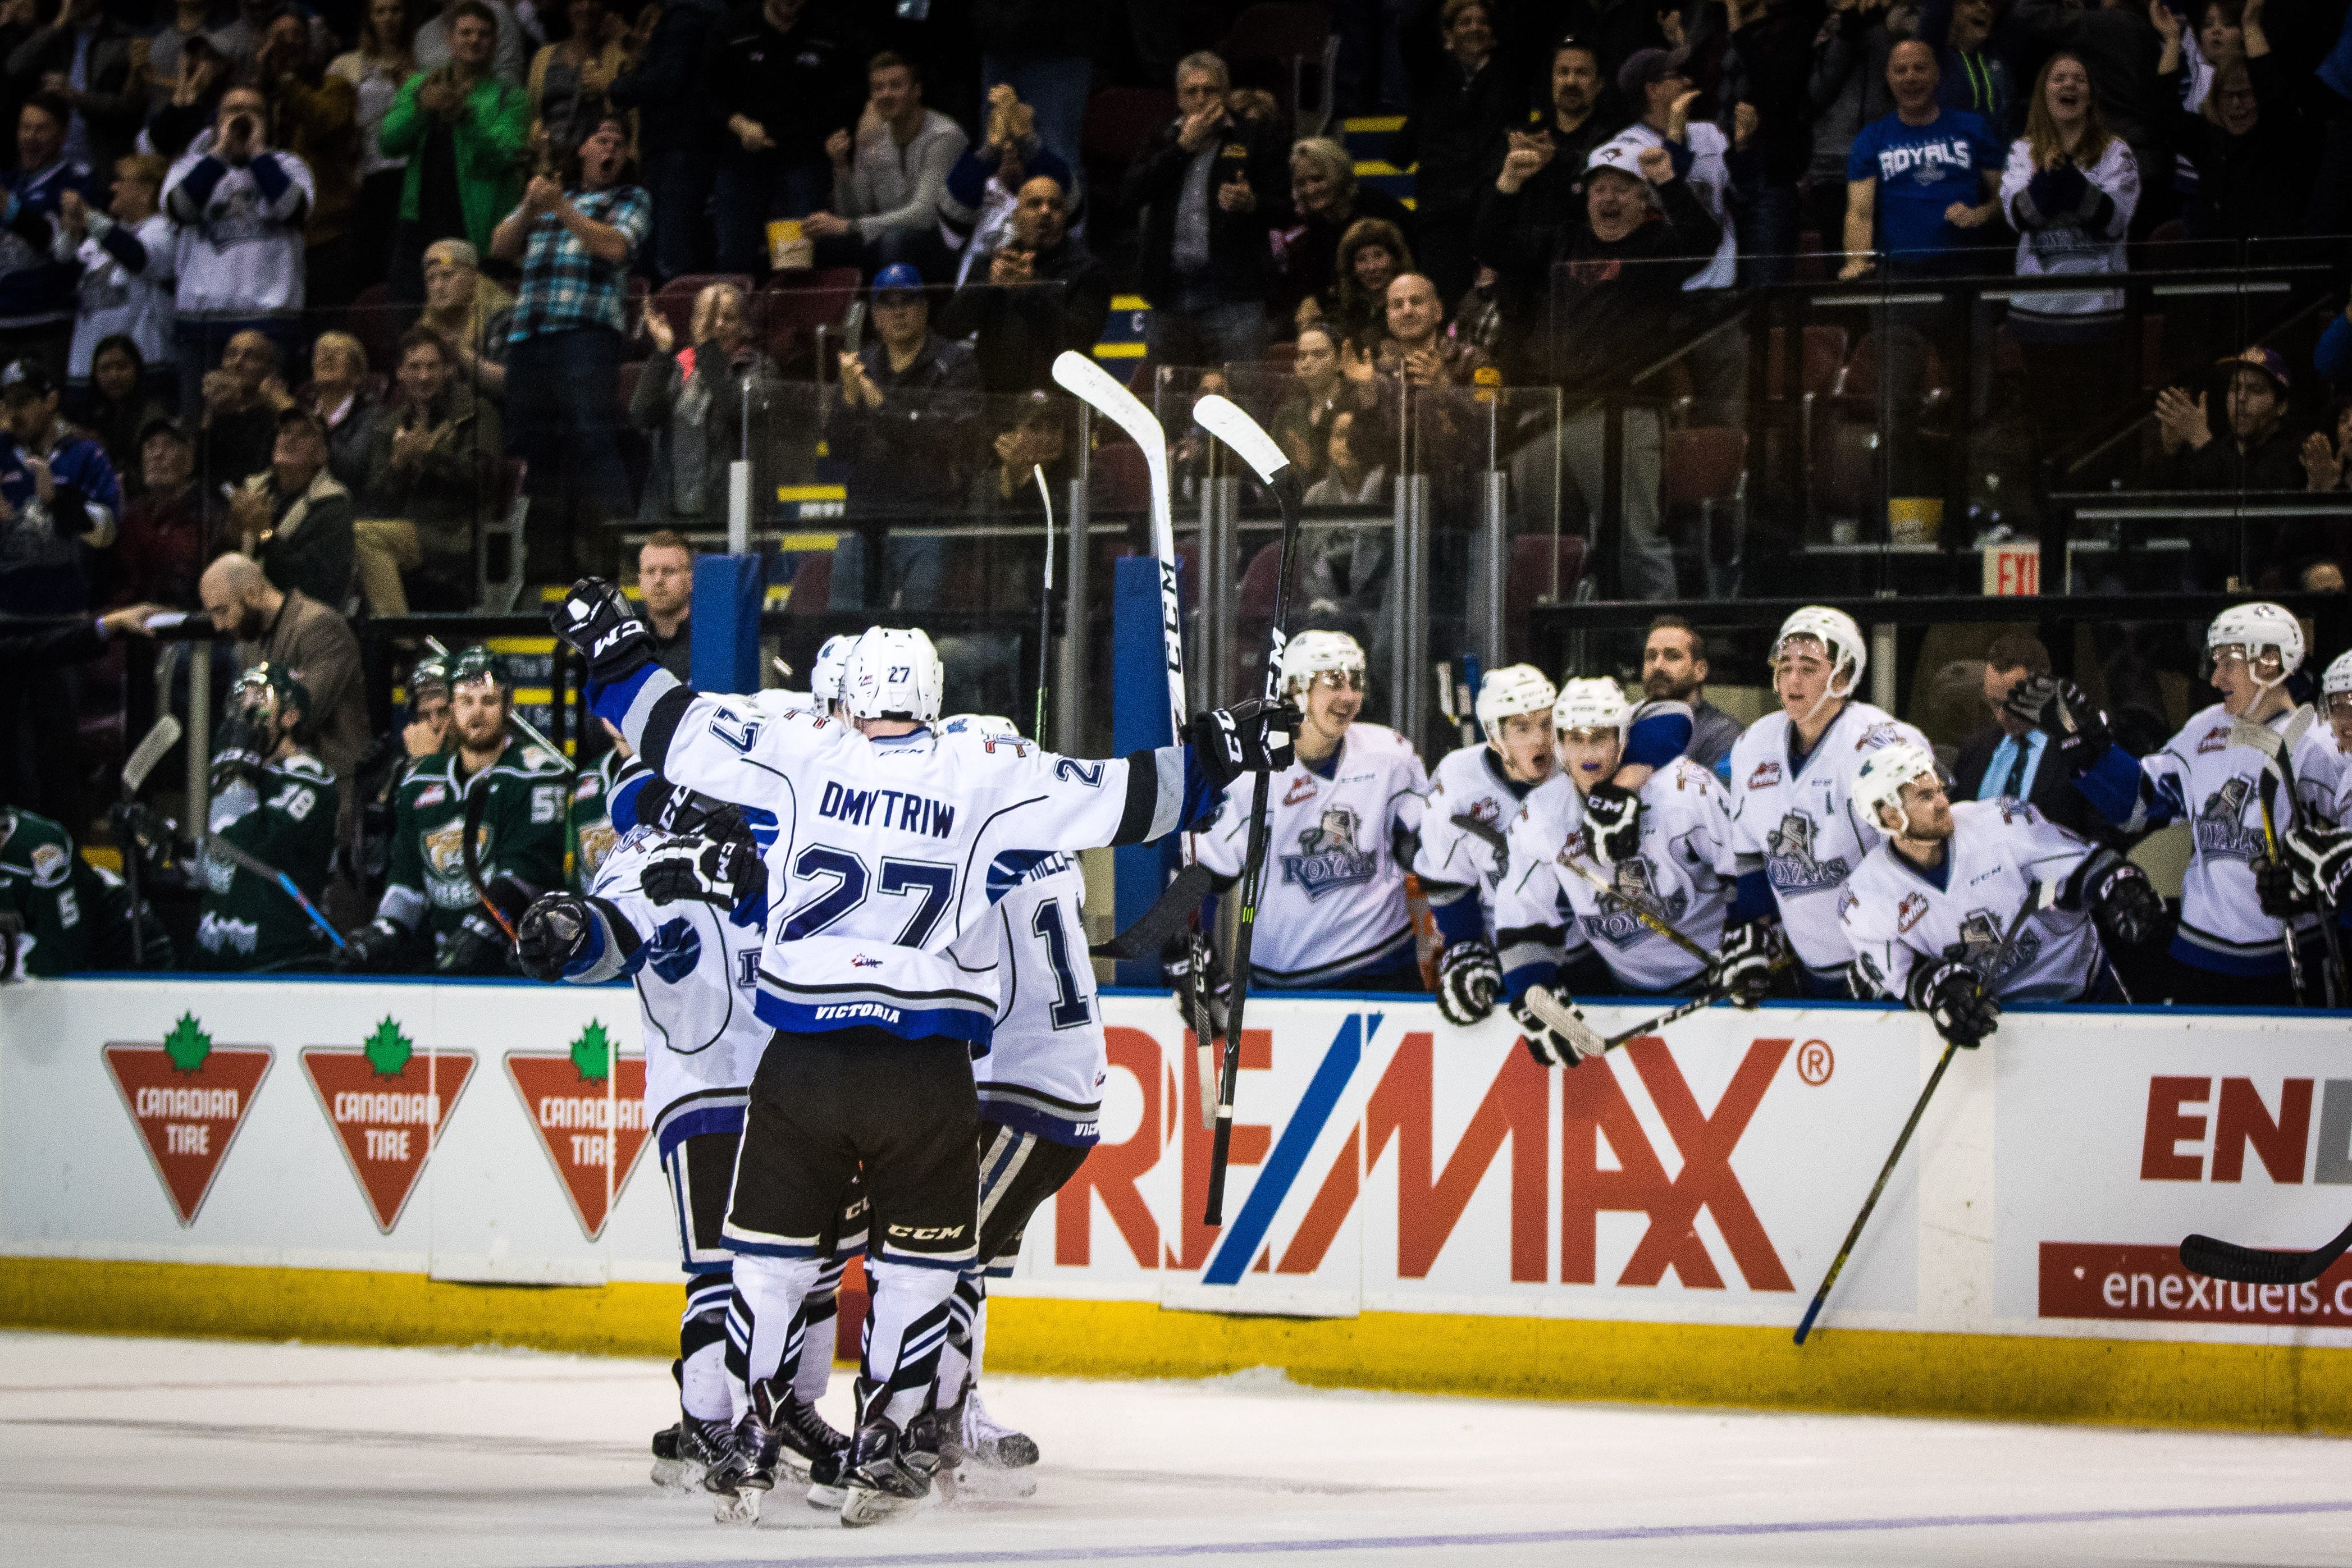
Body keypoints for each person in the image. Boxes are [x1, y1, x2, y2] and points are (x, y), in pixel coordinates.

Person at [550, 593, 1284, 1525]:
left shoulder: (798, 748)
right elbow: (1135, 799)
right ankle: (890, 1444)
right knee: (920, 1267)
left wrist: (616, 653)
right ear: (935, 697)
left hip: (801, 1057)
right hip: (924, 1063)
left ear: (847, 698)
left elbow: (663, 727)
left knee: (769, 1261)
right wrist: (1221, 747)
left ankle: (743, 1437)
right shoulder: (987, 768)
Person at [513, 752, 857, 1500]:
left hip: (804, 1078)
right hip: (706, 1086)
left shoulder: (787, 825)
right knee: (722, 1270)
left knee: (815, 1265)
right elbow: (611, 933)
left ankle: (793, 1409)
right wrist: (572, 934)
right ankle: (707, 1419)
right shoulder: (641, 857)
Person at [925, 714, 1104, 1493]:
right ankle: (953, 1414)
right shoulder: (1053, 841)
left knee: (937, 1253)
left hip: (1023, 1089)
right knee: (964, 1257)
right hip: (1058, 1090)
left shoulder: (973, 849)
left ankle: (929, 1429)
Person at [2021, 602, 2342, 1007]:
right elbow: (2138, 804)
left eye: (2228, 663)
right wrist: (2088, 751)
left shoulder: (2318, 745)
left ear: (2270, 661)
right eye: (2215, 663)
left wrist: (2311, 886)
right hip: (2200, 956)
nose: (2215, 678)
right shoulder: (2204, 730)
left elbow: (2343, 856)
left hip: (2290, 957)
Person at [1477, 140, 1721, 601]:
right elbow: (1490, 245)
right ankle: (1550, 640)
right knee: (1544, 546)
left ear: (1642, 198)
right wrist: (1507, 183)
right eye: (1599, 189)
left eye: (1622, 189)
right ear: (1586, 197)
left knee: (1636, 543)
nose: (1608, 199)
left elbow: (1704, 240)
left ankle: (1658, 634)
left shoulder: (1657, 246)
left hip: (1622, 413)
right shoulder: (1560, 240)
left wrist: (1667, 180)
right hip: (1547, 412)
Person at [1839, 743, 2164, 1033]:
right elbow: (1908, 976)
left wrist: (2116, 886)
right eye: (1926, 797)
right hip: (1995, 1024)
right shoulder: (1864, 898)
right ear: (1890, 816)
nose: (1942, 802)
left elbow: (2080, 869)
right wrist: (1945, 990)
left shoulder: (1999, 822)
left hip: (2082, 992)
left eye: (1938, 789)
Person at [1186, 629, 1429, 995]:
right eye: (1333, 681)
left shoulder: (1390, 755)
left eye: (1356, 681)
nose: (1348, 696)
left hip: (1384, 966)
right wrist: (1193, 951)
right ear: (1295, 689)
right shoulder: (1249, 775)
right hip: (1282, 982)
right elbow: (1203, 874)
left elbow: (1425, 847)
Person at [1492, 679, 1733, 1040]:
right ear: (1559, 744)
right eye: (1575, 739)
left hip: (1719, 982)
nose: (1588, 753)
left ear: (1623, 740)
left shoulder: (1683, 789)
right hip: (1625, 991)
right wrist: (1534, 995)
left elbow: (1743, 866)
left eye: (1600, 737)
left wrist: (1752, 938)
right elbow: (1523, 916)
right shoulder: (1541, 815)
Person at [1715, 605, 1934, 999]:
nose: (1792, 680)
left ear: (1843, 676)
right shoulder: (1752, 745)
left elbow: (1924, 857)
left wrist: (1903, 960)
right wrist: (1754, 933)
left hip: (1888, 969)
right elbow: (1750, 856)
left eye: (1808, 668)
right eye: (1785, 667)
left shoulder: (1882, 745)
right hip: (1806, 969)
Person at [341, 643, 569, 973]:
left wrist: (480, 931)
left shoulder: (537, 773)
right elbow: (407, 879)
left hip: (517, 965)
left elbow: (528, 874)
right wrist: (386, 929)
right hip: (441, 958)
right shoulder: (421, 780)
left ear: (509, 706)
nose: (477, 713)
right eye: (466, 701)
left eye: (488, 701)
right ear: (452, 708)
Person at [490, 112, 648, 577]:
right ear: (582, 150)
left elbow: (615, 248)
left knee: (592, 440)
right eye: (601, 139)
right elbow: (499, 247)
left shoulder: (630, 198)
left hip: (587, 333)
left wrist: (561, 208)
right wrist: (528, 207)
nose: (610, 148)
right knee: (531, 448)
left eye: (618, 143)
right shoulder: (550, 198)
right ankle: (542, 568)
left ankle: (622, 560)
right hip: (529, 335)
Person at [1999, 52, 2139, 451]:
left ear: (2091, 95)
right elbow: (2020, 217)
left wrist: (2064, 179)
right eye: (2059, 78)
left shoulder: (2116, 153)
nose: (2069, 85)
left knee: (2096, 432)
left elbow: (2111, 220)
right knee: (2047, 434)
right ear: (2043, 93)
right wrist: (2048, 178)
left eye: (2078, 79)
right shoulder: (2021, 152)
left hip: (2098, 316)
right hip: (2038, 315)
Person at [826, 264, 979, 611]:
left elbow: (941, 435)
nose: (898, 312)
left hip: (926, 517)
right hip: (864, 518)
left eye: (907, 301)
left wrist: (872, 397)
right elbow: (839, 448)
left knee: (918, 630)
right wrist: (849, 398)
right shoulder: (860, 365)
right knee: (845, 627)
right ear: (875, 315)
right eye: (888, 304)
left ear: (924, 308)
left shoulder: (956, 362)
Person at [1123, 51, 1289, 369]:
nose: (1200, 98)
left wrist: (1252, 203)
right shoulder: (1162, 138)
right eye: (1191, 91)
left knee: (1242, 393)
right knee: (1171, 395)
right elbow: (1131, 195)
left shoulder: (1255, 137)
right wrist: (1182, 147)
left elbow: (1285, 210)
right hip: (1169, 295)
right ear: (1179, 98)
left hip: (1235, 297)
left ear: (1225, 94)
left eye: (1210, 90)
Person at [161, 83, 314, 423]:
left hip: (270, 321)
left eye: (254, 111)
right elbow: (181, 210)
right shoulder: (189, 166)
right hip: (202, 324)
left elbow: (293, 210)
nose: (243, 118)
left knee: (268, 423)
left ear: (267, 122)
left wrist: (258, 155)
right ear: (217, 121)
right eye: (233, 110)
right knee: (200, 426)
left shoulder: (289, 165)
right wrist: (219, 155)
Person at [1417, 663, 1555, 1025]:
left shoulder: (1576, 767)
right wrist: (1465, 945)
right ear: (1495, 736)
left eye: (1546, 723)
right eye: (1522, 728)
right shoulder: (1457, 779)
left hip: (1583, 949)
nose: (1540, 739)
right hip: (1505, 953)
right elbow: (1448, 878)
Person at [379, 1, 529, 305]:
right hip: (419, 227)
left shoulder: (510, 96)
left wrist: (464, 116)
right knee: (410, 315)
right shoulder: (421, 86)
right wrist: (421, 109)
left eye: (483, 34)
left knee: (480, 321)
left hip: (479, 228)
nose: (474, 40)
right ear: (449, 39)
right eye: (466, 33)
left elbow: (505, 155)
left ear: (495, 42)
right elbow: (389, 143)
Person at [192, 662, 340, 971]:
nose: (245, 715)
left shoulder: (311, 780)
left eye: (257, 705)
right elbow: (211, 869)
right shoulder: (233, 772)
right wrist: (165, 844)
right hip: (217, 960)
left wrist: (236, 775)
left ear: (289, 717)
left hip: (280, 963)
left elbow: (246, 846)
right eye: (240, 703)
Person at [699, 0, 862, 275]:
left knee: (797, 260)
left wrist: (842, 130)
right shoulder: (733, 28)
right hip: (743, 159)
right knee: (734, 257)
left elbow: (852, 90)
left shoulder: (830, 31)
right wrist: (739, 124)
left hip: (805, 160)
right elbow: (707, 92)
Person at [354, 326, 502, 614]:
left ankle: (398, 632)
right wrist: (397, 466)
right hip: (408, 530)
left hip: (458, 533)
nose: (424, 376)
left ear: (448, 369)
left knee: (364, 536)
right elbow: (375, 503)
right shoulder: (389, 426)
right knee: (353, 535)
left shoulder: (476, 412)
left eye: (432, 367)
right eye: (415, 367)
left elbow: (484, 480)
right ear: (400, 372)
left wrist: (429, 455)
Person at [1480, 36, 1621, 335]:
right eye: (1563, 72)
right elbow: (1492, 227)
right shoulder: (1525, 140)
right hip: (1525, 291)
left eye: (1582, 73)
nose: (1571, 81)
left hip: (1586, 287)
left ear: (1599, 84)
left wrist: (1556, 163)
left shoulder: (1615, 142)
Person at [198, 550, 369, 789]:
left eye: (222, 610)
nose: (218, 626)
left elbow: (298, 715)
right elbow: (245, 715)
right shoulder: (250, 642)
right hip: (272, 781)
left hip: (328, 783)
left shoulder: (320, 626)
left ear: (252, 594)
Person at [1840, 40, 2000, 277]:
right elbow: (1860, 213)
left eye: (1920, 68)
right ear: (1888, 78)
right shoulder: (1872, 138)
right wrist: (1857, 260)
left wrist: (1980, 214)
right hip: (1898, 269)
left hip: (1963, 264)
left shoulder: (1973, 127)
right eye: (1900, 70)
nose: (1910, 77)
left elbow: (2005, 197)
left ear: (1936, 75)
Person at [940, 172, 1109, 396]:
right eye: (1034, 204)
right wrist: (987, 287)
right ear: (1017, 216)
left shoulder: (1088, 271)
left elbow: (1081, 340)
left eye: (1055, 206)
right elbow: (950, 329)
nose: (1045, 211)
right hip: (997, 399)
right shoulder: (992, 265)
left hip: (1058, 401)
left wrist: (1030, 291)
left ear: (1065, 218)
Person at [1393, 0, 1514, 307]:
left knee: (1492, 303)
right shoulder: (1431, 75)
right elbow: (1411, 30)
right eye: (1464, 22)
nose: (1475, 28)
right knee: (1444, 301)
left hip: (1490, 206)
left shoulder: (1510, 76)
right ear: (1447, 34)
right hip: (1440, 213)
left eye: (1483, 22)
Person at [802, 52, 963, 281]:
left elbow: (924, 215)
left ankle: (894, 303)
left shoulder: (945, 136)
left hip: (942, 242)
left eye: (895, 86)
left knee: (895, 240)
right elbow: (854, 213)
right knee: (821, 245)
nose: (885, 94)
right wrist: (841, 167)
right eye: (878, 88)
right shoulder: (873, 138)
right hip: (888, 234)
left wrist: (849, 226)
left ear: (916, 91)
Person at [633, 279, 775, 523]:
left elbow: (738, 410)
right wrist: (663, 352)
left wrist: (708, 349)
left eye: (729, 318)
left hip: (728, 514)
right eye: (709, 318)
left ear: (744, 326)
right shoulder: (677, 366)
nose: (718, 325)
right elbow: (641, 416)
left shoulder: (757, 367)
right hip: (668, 513)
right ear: (694, 324)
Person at [248, 10, 362, 308]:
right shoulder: (258, 98)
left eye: (296, 35)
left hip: (324, 237)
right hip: (268, 242)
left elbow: (324, 122)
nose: (287, 44)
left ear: (311, 44)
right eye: (277, 37)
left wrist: (287, 80)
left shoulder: (335, 87)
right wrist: (261, 82)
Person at [1949, 633, 2108, 840]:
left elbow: (2102, 836)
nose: (2001, 716)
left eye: (2012, 703)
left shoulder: (2080, 752)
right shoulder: (1974, 752)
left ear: (2042, 688)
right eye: (1994, 703)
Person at [606, 0, 721, 279]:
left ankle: (674, 307)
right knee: (665, 249)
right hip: (681, 146)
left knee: (671, 256)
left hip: (679, 147)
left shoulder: (687, 14)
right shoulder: (695, 12)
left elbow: (668, 81)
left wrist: (616, 87)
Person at [54, 155, 171, 415]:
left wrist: (90, 218)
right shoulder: (99, 237)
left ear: (146, 190)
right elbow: (60, 282)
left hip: (144, 366)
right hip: (87, 369)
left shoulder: (162, 229)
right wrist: (70, 235)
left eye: (121, 181)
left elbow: (139, 258)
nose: (112, 187)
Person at [938, 81, 1077, 288]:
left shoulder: (1050, 181)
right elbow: (952, 235)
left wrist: (1030, 145)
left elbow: (1073, 220)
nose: (1010, 147)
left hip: (1041, 285)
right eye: (1003, 134)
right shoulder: (974, 182)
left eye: (1017, 140)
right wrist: (989, 151)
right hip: (981, 290)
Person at [1275, 135, 1414, 330]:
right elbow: (1312, 281)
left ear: (1339, 175)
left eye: (1317, 179)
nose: (1310, 190)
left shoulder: (1379, 209)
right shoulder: (1315, 222)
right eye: (1301, 183)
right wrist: (1311, 301)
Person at [328, 0, 421, 295]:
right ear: (369, 18)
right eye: (380, 11)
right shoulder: (346, 66)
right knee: (366, 265)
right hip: (365, 176)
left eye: (395, 10)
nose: (388, 18)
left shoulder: (421, 63)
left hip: (410, 175)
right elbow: (333, 125)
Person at [0, 92, 95, 377]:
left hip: (49, 323)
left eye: (41, 129)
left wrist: (10, 210)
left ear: (63, 134)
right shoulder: (10, 180)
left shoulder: (77, 181)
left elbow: (58, 244)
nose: (30, 137)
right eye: (25, 128)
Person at [226, 408, 355, 609]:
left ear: (322, 455)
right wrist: (234, 530)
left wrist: (265, 534)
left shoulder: (333, 505)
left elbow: (311, 583)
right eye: (285, 431)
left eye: (304, 434)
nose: (290, 439)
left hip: (302, 616)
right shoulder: (253, 490)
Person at [2155, 348, 2305, 513]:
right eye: (2235, 388)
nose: (2242, 398)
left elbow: (2256, 506)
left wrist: (2201, 438)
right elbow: (2174, 512)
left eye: (2256, 390)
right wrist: (2173, 452)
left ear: (2281, 406)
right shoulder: (2222, 448)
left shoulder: (2296, 453)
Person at [111, 415, 205, 608]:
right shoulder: (134, 516)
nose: (157, 454)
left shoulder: (207, 515)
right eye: (151, 446)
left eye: (169, 445)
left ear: (190, 459)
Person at [193, 328, 293, 494]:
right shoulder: (215, 413)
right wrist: (211, 412)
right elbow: (201, 475)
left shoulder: (277, 414)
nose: (237, 363)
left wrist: (281, 404)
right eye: (231, 355)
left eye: (250, 357)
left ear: (271, 370)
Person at [526, 0, 628, 158]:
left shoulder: (617, 56)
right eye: (578, 1)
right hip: (550, 159)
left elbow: (625, 113)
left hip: (600, 159)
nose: (586, 6)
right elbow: (533, 115)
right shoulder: (545, 56)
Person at [1641, 615, 1743, 771]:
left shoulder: (1721, 733)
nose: (1658, 666)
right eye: (1651, 656)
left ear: (1700, 670)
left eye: (1672, 656)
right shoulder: (1630, 723)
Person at [418, 236, 511, 403]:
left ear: (473, 275)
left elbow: (513, 382)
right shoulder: (428, 322)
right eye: (431, 279)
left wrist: (462, 353)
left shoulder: (503, 314)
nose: (438, 286)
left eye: (447, 275)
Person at [79, 334, 166, 487]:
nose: (113, 376)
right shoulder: (96, 414)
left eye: (121, 367)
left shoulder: (152, 415)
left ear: (137, 369)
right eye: (105, 369)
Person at [305, 330, 381, 492]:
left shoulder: (371, 416)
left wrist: (313, 428)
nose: (327, 357)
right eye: (322, 352)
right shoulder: (304, 408)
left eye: (337, 352)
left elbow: (351, 472)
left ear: (357, 375)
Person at [1323, 215, 1411, 353]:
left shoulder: (1411, 306)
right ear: (1352, 268)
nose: (1371, 267)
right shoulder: (1347, 309)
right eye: (1361, 259)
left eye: (1379, 255)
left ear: (1396, 260)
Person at [1271, 321, 1346, 481]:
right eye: (1302, 356)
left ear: (1340, 361)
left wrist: (1310, 463)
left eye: (1319, 354)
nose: (1307, 363)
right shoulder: (1287, 415)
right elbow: (1274, 474)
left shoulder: (1353, 409)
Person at [413, 0, 528, 83]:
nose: (474, 40)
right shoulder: (425, 32)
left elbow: (509, 77)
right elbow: (422, 84)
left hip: (490, 104)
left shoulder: (497, 14)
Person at [636, 528, 692, 678]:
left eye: (668, 571)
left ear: (690, 580)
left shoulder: (710, 643)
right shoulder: (628, 644)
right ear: (640, 580)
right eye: (650, 571)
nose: (658, 580)